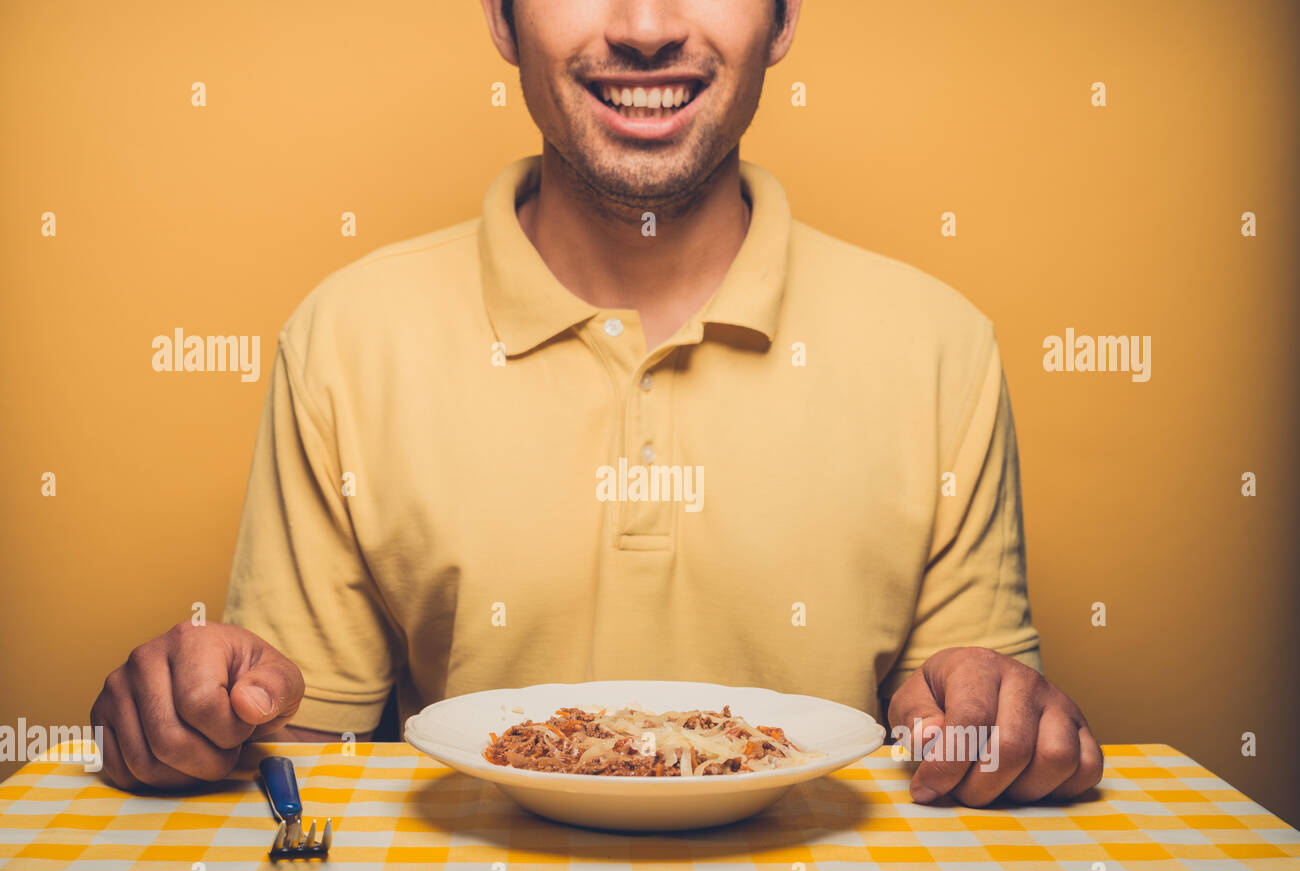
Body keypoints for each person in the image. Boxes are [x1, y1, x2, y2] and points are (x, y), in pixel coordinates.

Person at [90, 0, 1103, 808]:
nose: (647, 26)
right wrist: (196, 718)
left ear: (785, 17)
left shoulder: (940, 346)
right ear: (499, 15)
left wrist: (996, 723)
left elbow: (970, 745)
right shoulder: (346, 339)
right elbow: (302, 756)